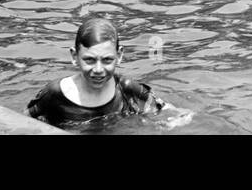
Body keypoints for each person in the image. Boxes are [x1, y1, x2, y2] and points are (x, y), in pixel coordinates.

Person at [26, 17, 167, 131]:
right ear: (74, 56)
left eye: (107, 60)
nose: (98, 69)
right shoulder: (54, 94)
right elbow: (21, 122)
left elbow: (167, 112)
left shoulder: (127, 89)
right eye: (89, 60)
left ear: (119, 55)